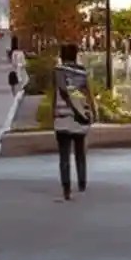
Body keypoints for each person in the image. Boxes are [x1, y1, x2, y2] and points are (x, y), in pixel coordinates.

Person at [52, 44, 96, 200]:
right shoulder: (81, 72)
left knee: (64, 155)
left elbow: (55, 94)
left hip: (62, 116)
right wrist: (93, 110)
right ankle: (82, 182)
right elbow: (88, 93)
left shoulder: (58, 72)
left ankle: (66, 187)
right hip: (79, 115)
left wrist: (53, 113)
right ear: (75, 55)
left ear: (62, 55)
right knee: (80, 152)